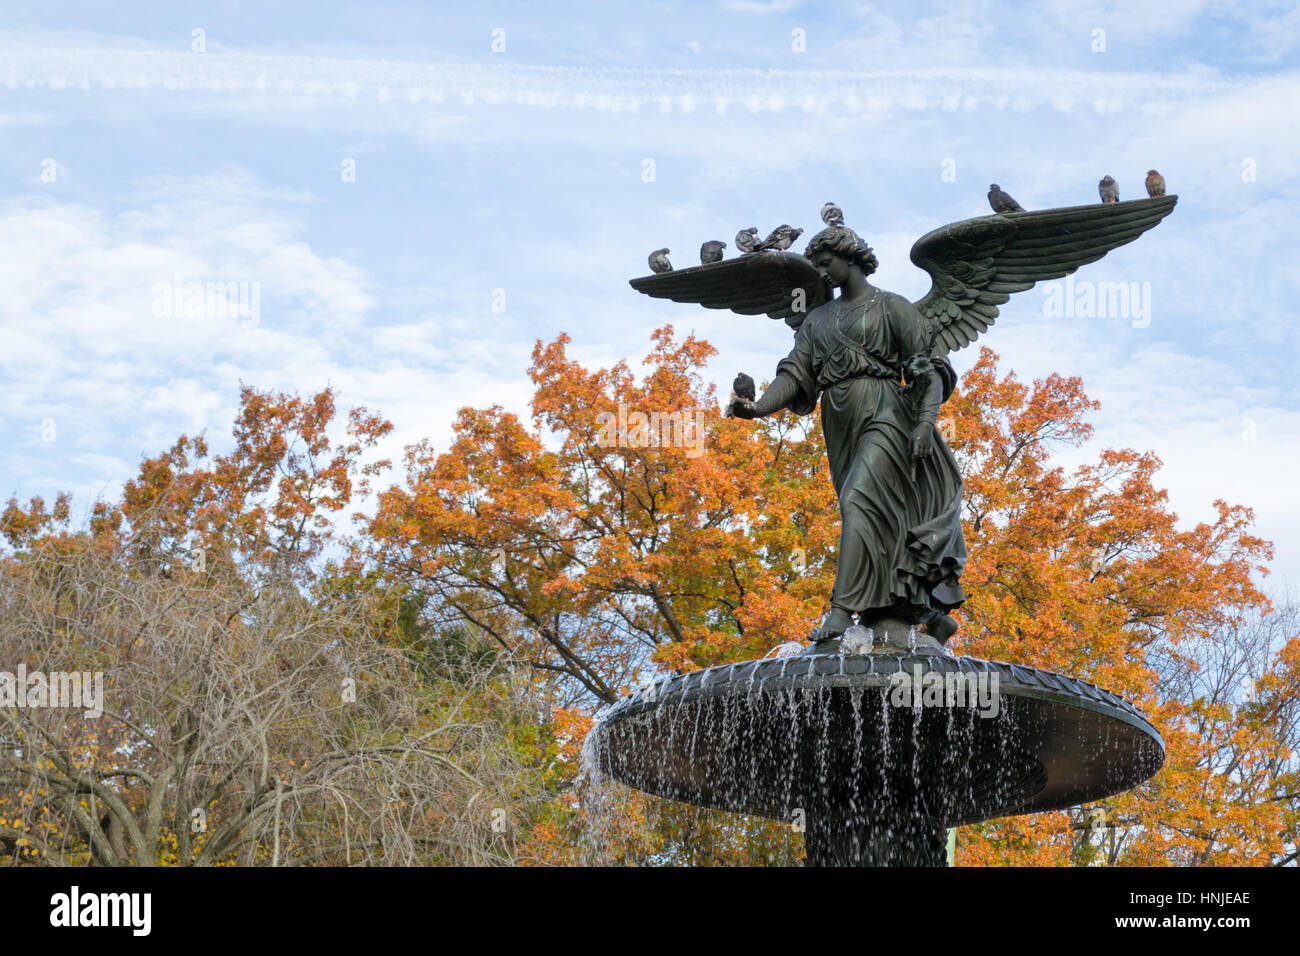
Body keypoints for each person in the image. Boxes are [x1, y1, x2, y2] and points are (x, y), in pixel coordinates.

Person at [728, 224, 965, 644]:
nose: (820, 273)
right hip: (838, 421)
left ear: (850, 256)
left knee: (857, 500)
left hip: (888, 413)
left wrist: (926, 424)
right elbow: (796, 373)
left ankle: (841, 610)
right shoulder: (817, 320)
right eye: (815, 265)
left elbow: (929, 370)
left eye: (825, 263)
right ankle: (927, 613)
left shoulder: (893, 307)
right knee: (876, 519)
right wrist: (759, 407)